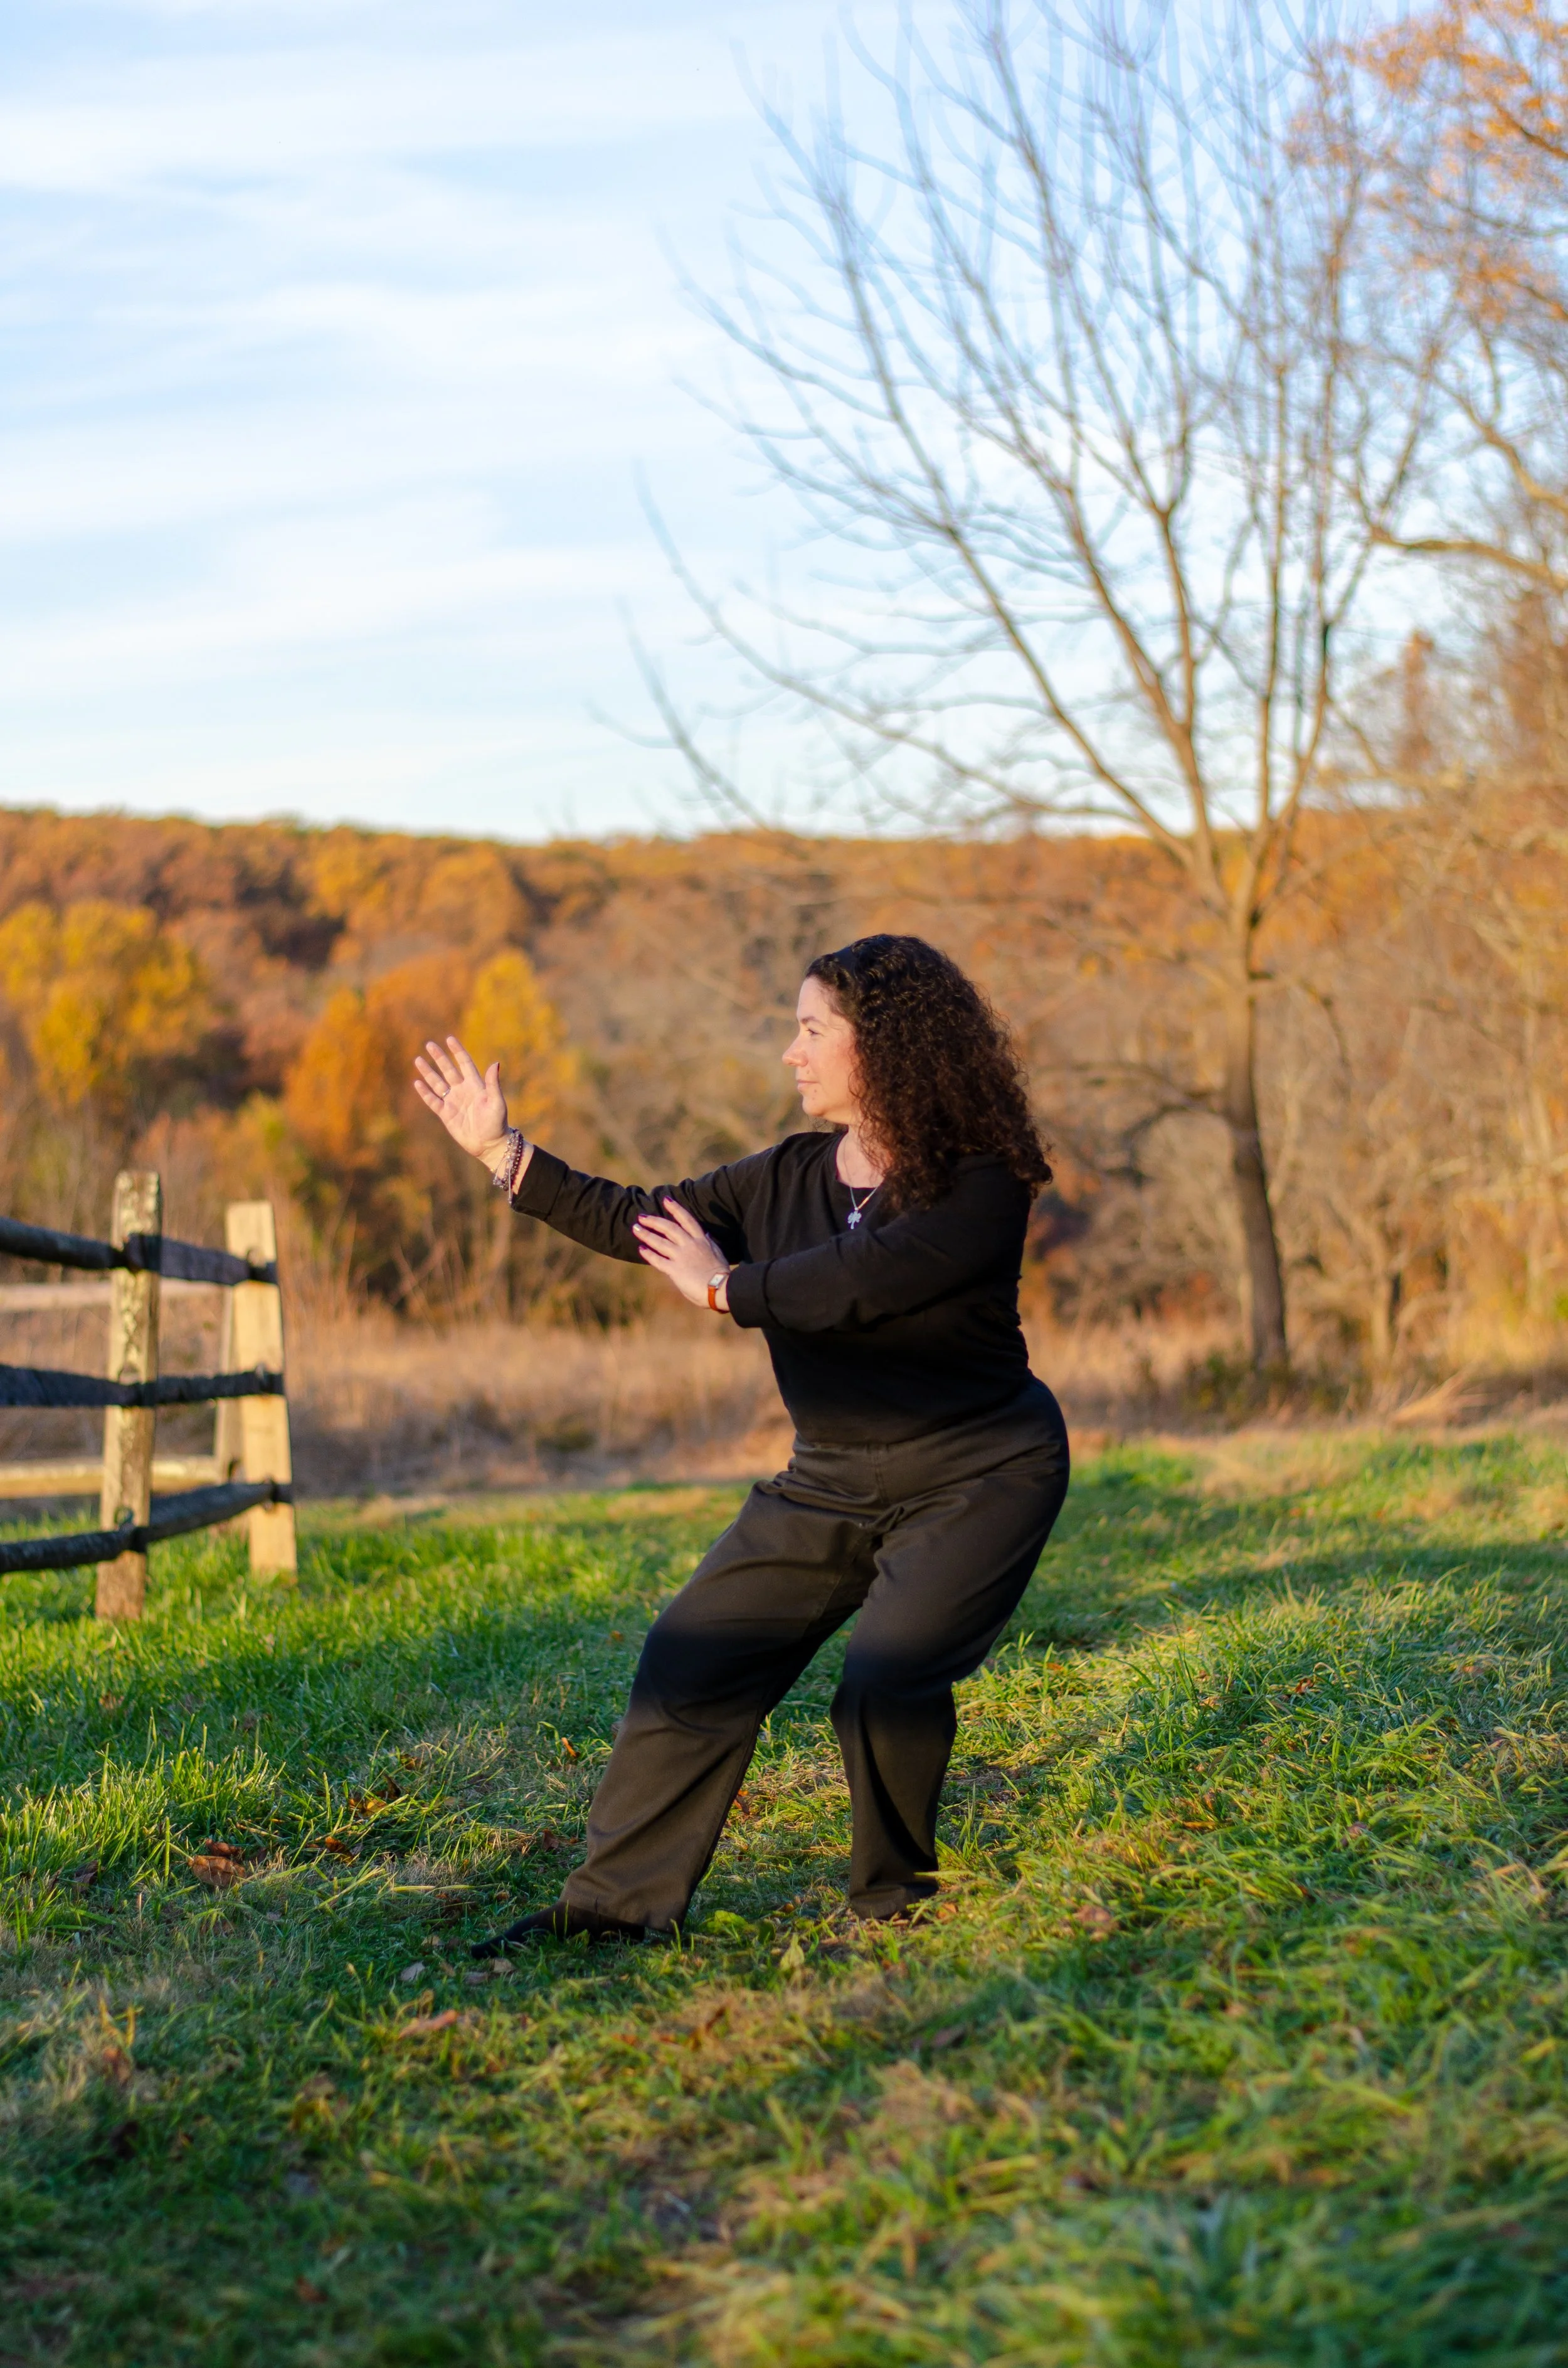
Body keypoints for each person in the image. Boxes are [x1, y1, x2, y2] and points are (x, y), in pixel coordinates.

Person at [413, 933, 1069, 1945]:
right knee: (690, 1657)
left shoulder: (978, 1182)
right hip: (830, 1482)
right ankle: (613, 1913)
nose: (789, 1052)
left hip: (980, 1469)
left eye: (811, 1030)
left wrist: (728, 1289)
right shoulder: (787, 1177)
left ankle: (892, 1904)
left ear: (884, 1046)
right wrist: (506, 1154)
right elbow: (642, 1219)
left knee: (884, 1680)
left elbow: (868, 1281)